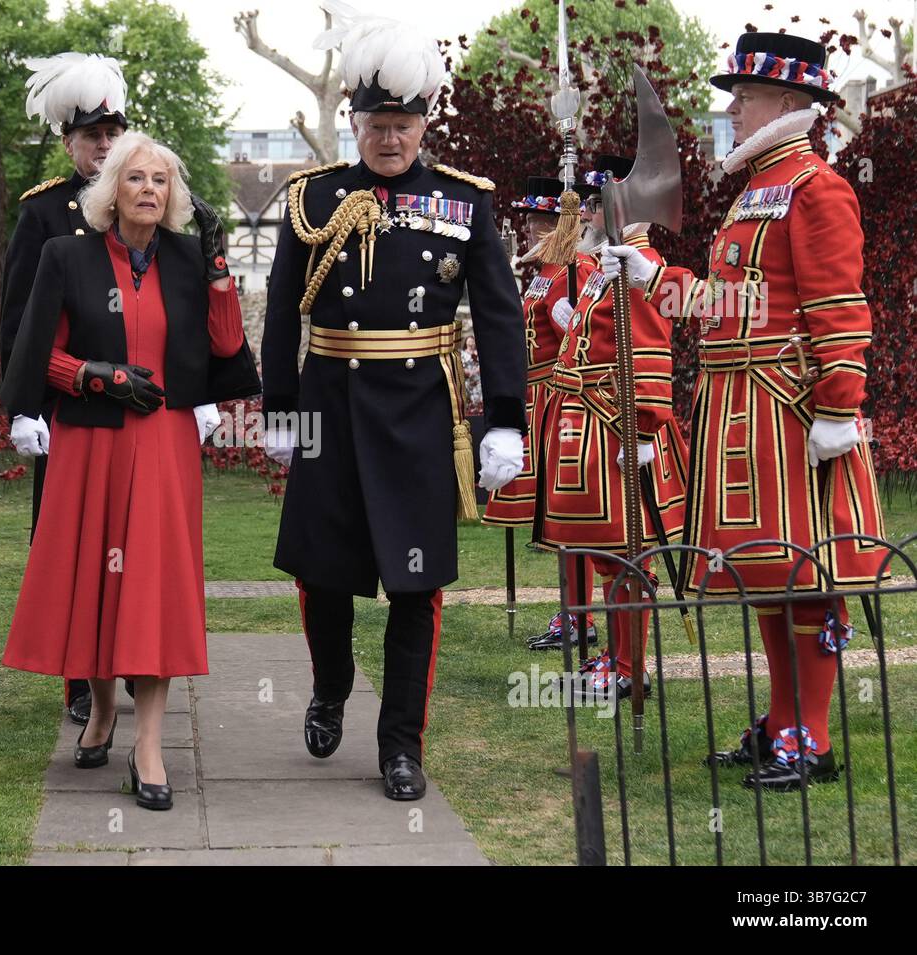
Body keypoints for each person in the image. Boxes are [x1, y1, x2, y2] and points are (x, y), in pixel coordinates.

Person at [260, 6, 528, 801]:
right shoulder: (313, 198)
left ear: (423, 123)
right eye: (376, 123)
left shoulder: (464, 201)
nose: (389, 139)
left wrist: (504, 419)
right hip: (331, 407)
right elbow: (282, 314)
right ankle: (332, 685)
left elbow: (501, 315)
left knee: (417, 585)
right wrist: (280, 408)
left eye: (403, 124)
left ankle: (401, 743)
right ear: (353, 121)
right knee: (323, 572)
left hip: (419, 412)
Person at [606, 32, 886, 789]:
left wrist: (838, 406)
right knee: (769, 573)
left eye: (746, 95)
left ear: (789, 105)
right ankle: (782, 720)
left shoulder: (816, 187)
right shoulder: (755, 190)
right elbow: (724, 304)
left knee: (810, 573)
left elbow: (839, 309)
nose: (731, 108)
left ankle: (813, 737)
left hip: (791, 413)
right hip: (742, 410)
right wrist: (649, 273)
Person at [1, 131, 256, 811]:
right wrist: (93, 374)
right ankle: (102, 710)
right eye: (136, 177)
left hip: (166, 443)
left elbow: (225, 345)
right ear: (112, 187)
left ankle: (148, 743)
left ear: (174, 195)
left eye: (162, 180)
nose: (149, 189)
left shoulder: (185, 259)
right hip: (92, 442)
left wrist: (221, 268)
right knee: (94, 581)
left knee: (154, 591)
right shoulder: (67, 255)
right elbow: (36, 354)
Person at [0, 52, 130, 727]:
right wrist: (24, 406)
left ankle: (130, 656)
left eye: (113, 134)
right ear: (67, 142)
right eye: (91, 137)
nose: (103, 146)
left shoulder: (145, 203)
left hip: (137, 403)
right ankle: (78, 679)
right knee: (72, 543)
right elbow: (20, 320)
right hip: (68, 401)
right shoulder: (44, 214)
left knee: (131, 540)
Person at [536, 155, 689, 701]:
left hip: (620, 430)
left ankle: (629, 665)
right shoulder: (608, 266)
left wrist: (644, 433)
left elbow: (650, 355)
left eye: (600, 204)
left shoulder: (639, 265)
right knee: (607, 552)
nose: (592, 213)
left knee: (627, 552)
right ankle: (618, 657)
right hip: (594, 426)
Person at [481, 177, 599, 652]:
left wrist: (574, 316)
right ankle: (572, 609)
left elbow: (582, 339)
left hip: (559, 399)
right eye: (529, 219)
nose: (530, 228)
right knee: (552, 514)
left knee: (568, 512)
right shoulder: (544, 269)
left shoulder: (576, 267)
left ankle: (581, 613)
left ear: (562, 224)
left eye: (541, 220)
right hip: (534, 397)